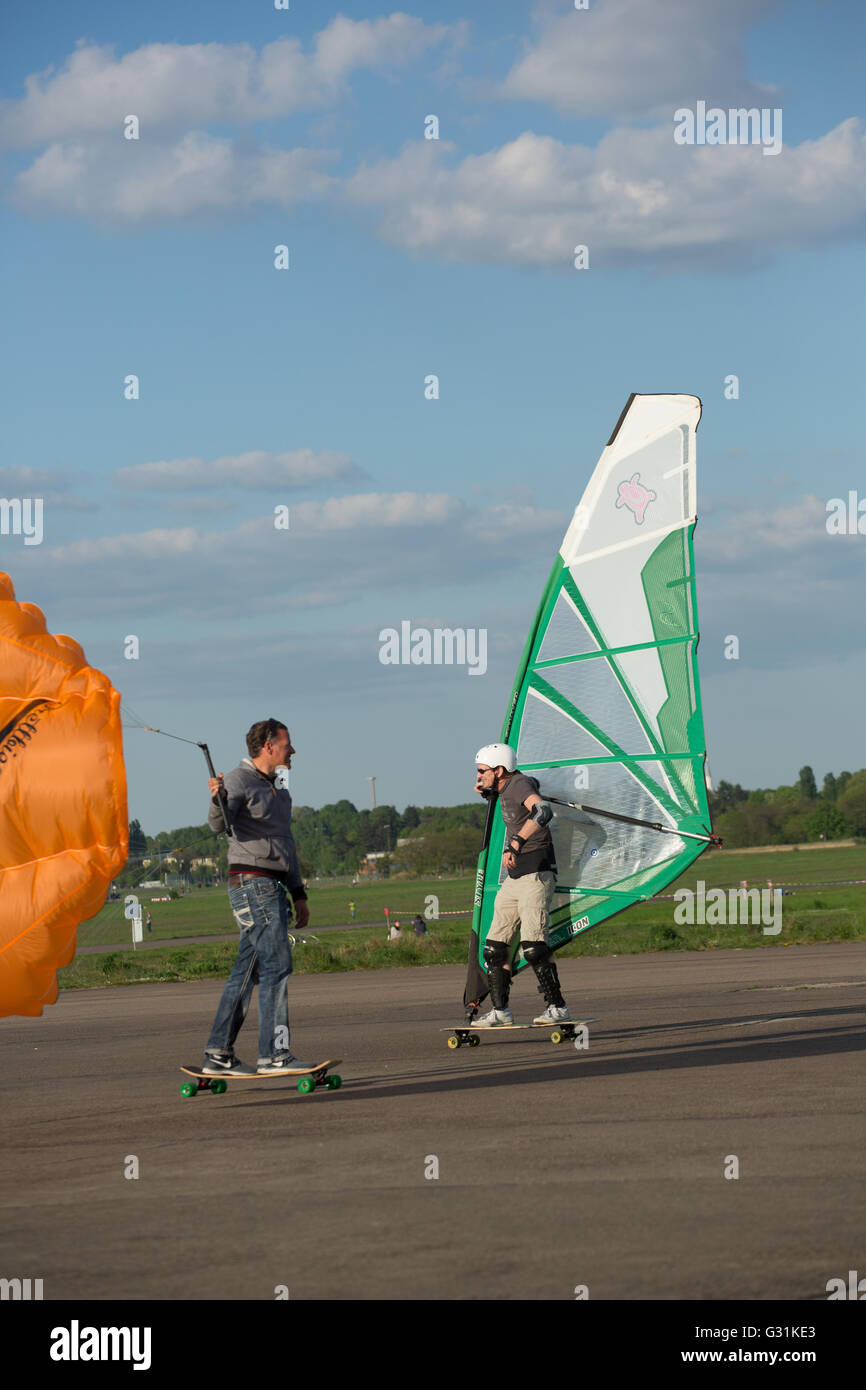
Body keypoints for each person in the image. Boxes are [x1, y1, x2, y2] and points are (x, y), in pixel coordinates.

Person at [201, 719, 309, 1075]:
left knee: (247, 972)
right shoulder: (237, 779)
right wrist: (218, 799)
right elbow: (219, 825)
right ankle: (275, 1054)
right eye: (287, 744)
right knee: (278, 966)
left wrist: (298, 892)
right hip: (253, 883)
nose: (292, 750)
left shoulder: (280, 784)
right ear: (268, 747)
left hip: (274, 885)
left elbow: (285, 840)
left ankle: (218, 1053)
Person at [473, 742, 570, 1027]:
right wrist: (485, 790)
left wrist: (515, 842)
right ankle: (501, 1011)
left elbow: (543, 812)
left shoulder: (517, 784)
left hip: (536, 874)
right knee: (494, 948)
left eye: (482, 771)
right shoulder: (506, 788)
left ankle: (558, 1007)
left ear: (499, 770)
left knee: (533, 947)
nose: (478, 776)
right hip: (514, 878)